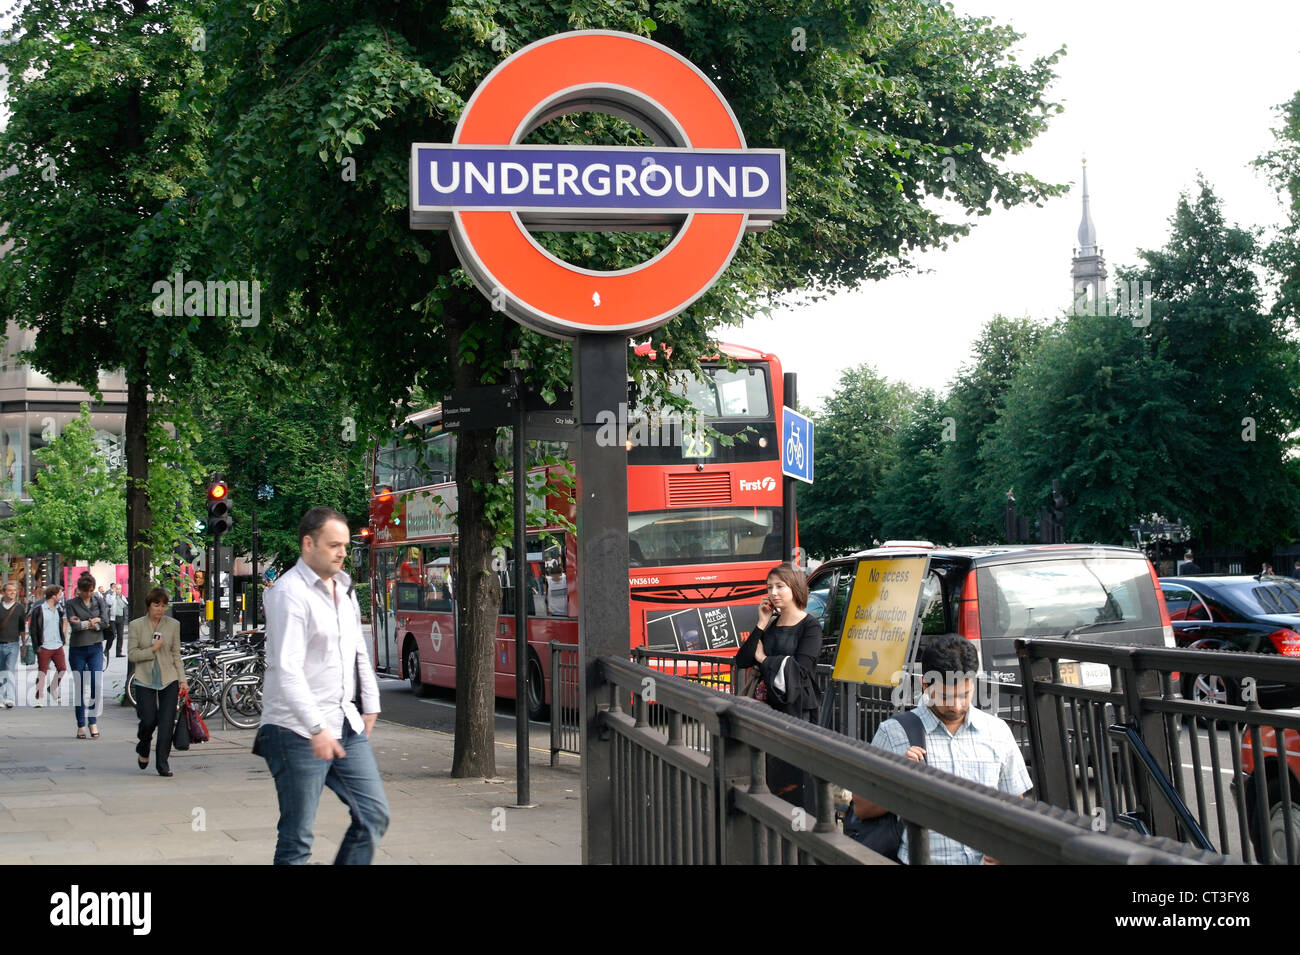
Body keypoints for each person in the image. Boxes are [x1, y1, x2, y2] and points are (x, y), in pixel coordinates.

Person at [255, 506, 389, 865]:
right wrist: (316, 728)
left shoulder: (345, 589)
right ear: (308, 544)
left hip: (345, 722)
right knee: (298, 837)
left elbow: (359, 649)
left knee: (373, 815)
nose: (342, 552)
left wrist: (371, 703)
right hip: (295, 730)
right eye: (334, 545)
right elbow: (287, 668)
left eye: (345, 545)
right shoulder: (289, 593)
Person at [850, 634, 1032, 864]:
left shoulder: (997, 731)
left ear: (974, 683)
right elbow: (862, 809)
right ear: (925, 684)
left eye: (964, 695)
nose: (956, 706)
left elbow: (1015, 805)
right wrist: (899, 778)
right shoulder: (893, 732)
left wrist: (1006, 848)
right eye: (945, 696)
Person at [733, 562, 824, 807]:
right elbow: (741, 660)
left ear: (795, 587)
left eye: (779, 586)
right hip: (766, 709)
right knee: (766, 775)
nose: (772, 592)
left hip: (796, 711)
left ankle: (799, 832)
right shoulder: (771, 624)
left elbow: (801, 669)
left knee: (793, 777)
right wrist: (761, 623)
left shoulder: (810, 626)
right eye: (769, 587)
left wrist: (763, 659)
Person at [128, 587, 186, 776]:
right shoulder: (137, 625)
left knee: (167, 722)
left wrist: (182, 680)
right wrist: (152, 649)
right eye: (156, 605)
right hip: (145, 679)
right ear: (149, 606)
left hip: (169, 678)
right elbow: (132, 655)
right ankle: (143, 746)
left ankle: (163, 762)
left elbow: (176, 654)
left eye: (163, 606)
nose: (160, 609)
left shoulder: (173, 625)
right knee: (148, 720)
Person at [63, 573, 109, 739]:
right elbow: (74, 626)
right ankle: (81, 724)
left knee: (96, 684)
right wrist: (92, 621)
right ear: (79, 590)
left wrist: (89, 623)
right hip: (77, 649)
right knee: (80, 687)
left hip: (95, 647)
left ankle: (93, 720)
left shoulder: (99, 601)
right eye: (85, 591)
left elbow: (105, 622)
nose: (88, 594)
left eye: (90, 590)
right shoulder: (71, 604)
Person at [28, 585, 69, 707]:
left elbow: (62, 623)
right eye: (60, 595)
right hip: (44, 645)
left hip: (57, 644)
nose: (61, 597)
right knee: (42, 672)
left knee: (62, 669)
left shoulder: (59, 609)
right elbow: (33, 629)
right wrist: (37, 646)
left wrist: (63, 639)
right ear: (53, 596)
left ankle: (52, 688)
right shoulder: (39, 609)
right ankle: (39, 698)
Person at [0, 583, 25, 708]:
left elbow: (22, 627)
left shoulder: (19, 608)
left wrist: (24, 644)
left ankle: (9, 698)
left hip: (13, 644)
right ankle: (1, 697)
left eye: (14, 591)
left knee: (9, 671)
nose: (12, 593)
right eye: (9, 591)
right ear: (3, 592)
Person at [109, 583, 128, 657]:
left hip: (121, 618)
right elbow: (109, 603)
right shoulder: (110, 596)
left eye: (120, 589)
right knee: (112, 635)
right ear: (114, 589)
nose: (118, 590)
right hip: (113, 618)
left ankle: (118, 652)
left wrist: (125, 617)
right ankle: (106, 650)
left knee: (120, 636)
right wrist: (114, 595)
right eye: (117, 588)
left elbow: (125, 606)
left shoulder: (122, 597)